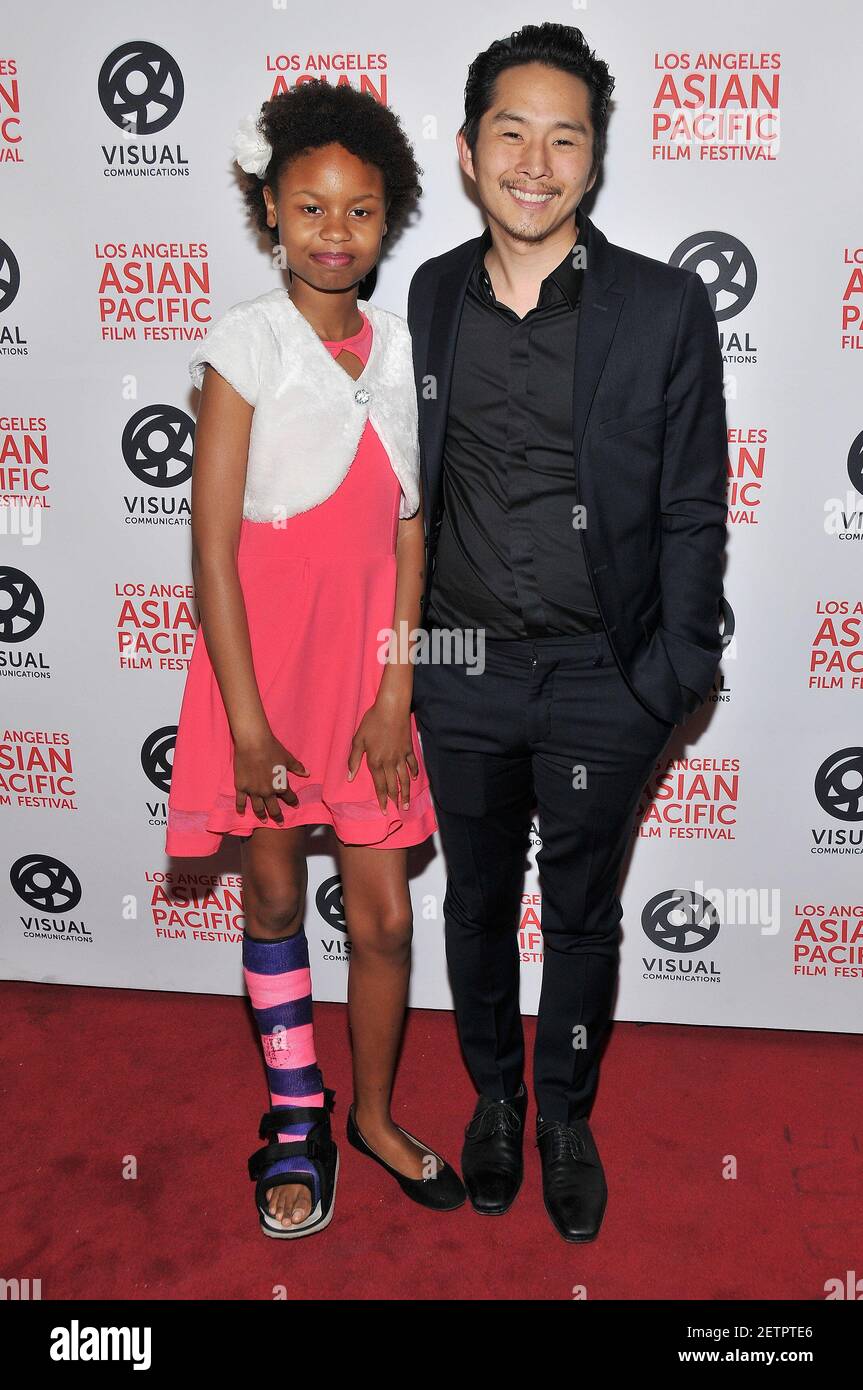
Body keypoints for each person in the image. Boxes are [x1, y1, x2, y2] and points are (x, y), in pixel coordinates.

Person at [407, 23, 728, 1241]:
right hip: (458, 671)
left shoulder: (662, 305)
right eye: (510, 132)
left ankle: (563, 1115)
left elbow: (695, 500)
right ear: (467, 148)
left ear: (592, 161)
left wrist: (675, 672)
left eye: (564, 137)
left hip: (607, 675)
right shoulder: (429, 295)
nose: (533, 162)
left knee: (581, 916)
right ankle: (494, 1100)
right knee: (477, 905)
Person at [165, 79, 465, 1238]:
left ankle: (373, 1117)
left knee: (384, 918)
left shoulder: (399, 346)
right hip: (259, 672)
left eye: (359, 209)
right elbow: (212, 546)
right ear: (269, 216)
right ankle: (296, 1108)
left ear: (387, 219)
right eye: (310, 208)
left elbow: (408, 528)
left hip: (364, 675)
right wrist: (243, 721)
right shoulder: (243, 338)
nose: (333, 232)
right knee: (279, 888)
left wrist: (396, 691)